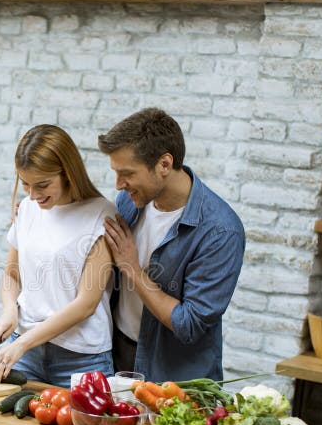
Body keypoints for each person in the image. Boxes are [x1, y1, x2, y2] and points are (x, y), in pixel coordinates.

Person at [99, 108, 245, 382]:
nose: (118, 185)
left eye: (127, 173)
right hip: (119, 357)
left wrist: (133, 269)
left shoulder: (221, 231)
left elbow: (190, 323)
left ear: (164, 165)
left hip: (176, 379)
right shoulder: (130, 203)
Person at [0, 124, 116, 388]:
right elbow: (12, 273)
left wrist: (22, 343)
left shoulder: (101, 216)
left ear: (68, 173)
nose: (33, 195)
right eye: (26, 184)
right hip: (24, 352)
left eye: (42, 185)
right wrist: (10, 310)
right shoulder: (29, 209)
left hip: (80, 359)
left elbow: (86, 303)